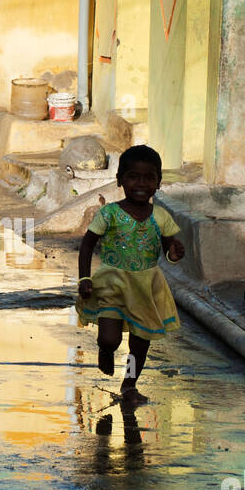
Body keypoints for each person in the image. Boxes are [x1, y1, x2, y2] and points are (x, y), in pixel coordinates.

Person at [77, 145, 185, 400]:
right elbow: (87, 244)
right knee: (110, 338)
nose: (141, 183)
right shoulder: (110, 214)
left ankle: (130, 385)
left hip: (146, 289)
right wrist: (84, 278)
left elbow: (170, 250)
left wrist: (174, 253)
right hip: (112, 285)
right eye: (133, 176)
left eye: (149, 178)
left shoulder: (161, 216)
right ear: (120, 179)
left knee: (139, 343)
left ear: (159, 182)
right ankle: (105, 350)